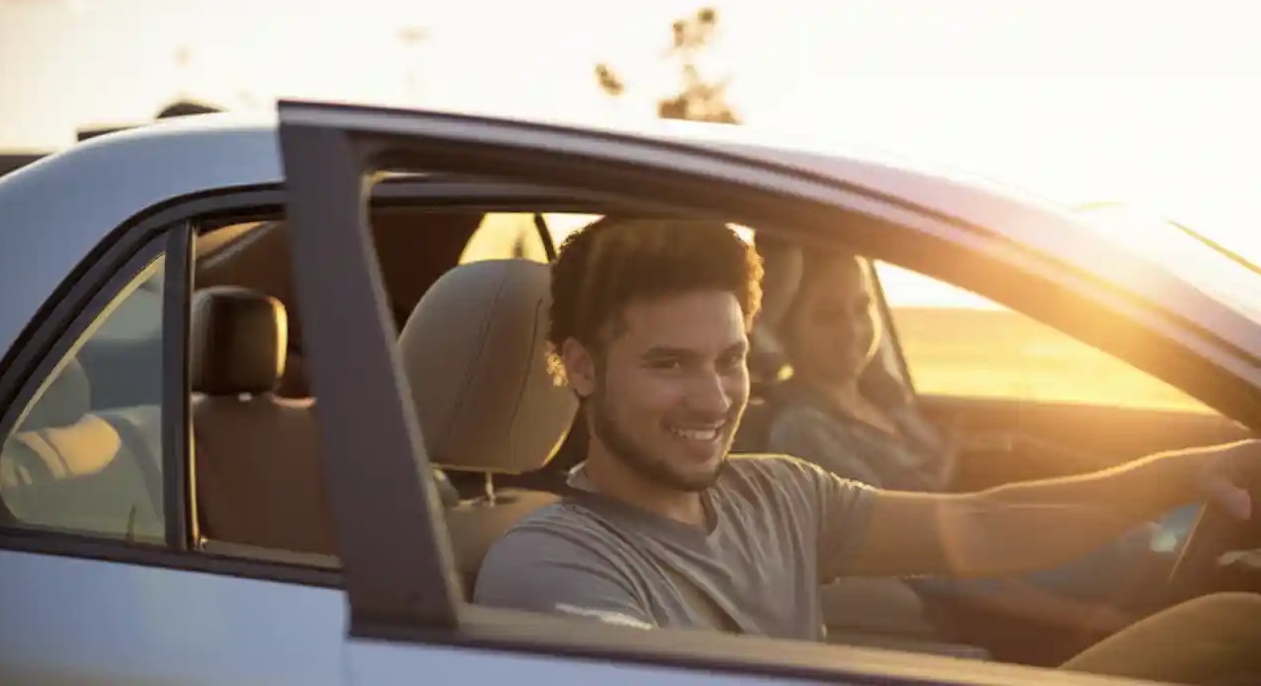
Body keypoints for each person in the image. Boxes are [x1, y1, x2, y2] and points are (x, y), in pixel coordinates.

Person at [474, 216, 1261, 683]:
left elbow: (987, 522)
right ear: (580, 368)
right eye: (668, 364)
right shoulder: (548, 564)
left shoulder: (777, 492)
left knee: (1233, 621)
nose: (714, 400)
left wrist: (1184, 475)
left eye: (730, 358)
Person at [763, 249, 1175, 646]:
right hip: (1000, 571)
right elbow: (932, 560)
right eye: (827, 316)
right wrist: (1088, 621)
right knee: (1167, 552)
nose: (853, 329)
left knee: (1167, 523)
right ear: (786, 330)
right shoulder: (803, 430)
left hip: (1009, 530)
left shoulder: (882, 397)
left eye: (861, 307)